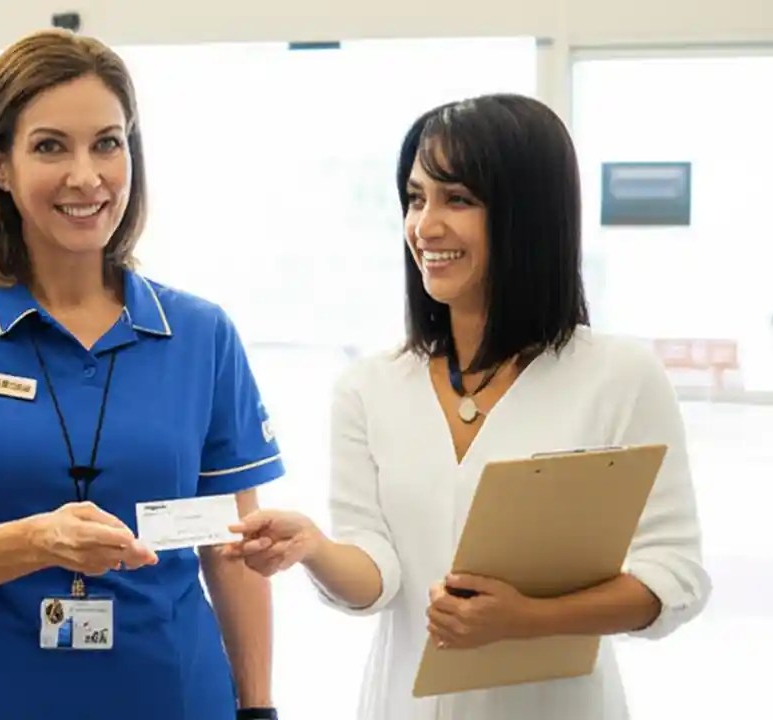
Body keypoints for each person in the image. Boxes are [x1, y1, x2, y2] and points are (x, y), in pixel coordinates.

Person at [223, 94, 711, 720]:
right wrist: (313, 548)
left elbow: (674, 576)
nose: (425, 226)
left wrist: (530, 620)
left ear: (527, 217)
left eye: (458, 199)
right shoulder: (369, 387)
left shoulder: (619, 376)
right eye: (415, 197)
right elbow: (378, 579)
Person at [0, 29, 282, 720]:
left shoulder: (201, 335)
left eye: (108, 143)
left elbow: (229, 550)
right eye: (51, 146)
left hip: (172, 698)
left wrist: (257, 708)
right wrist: (36, 540)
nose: (88, 176)